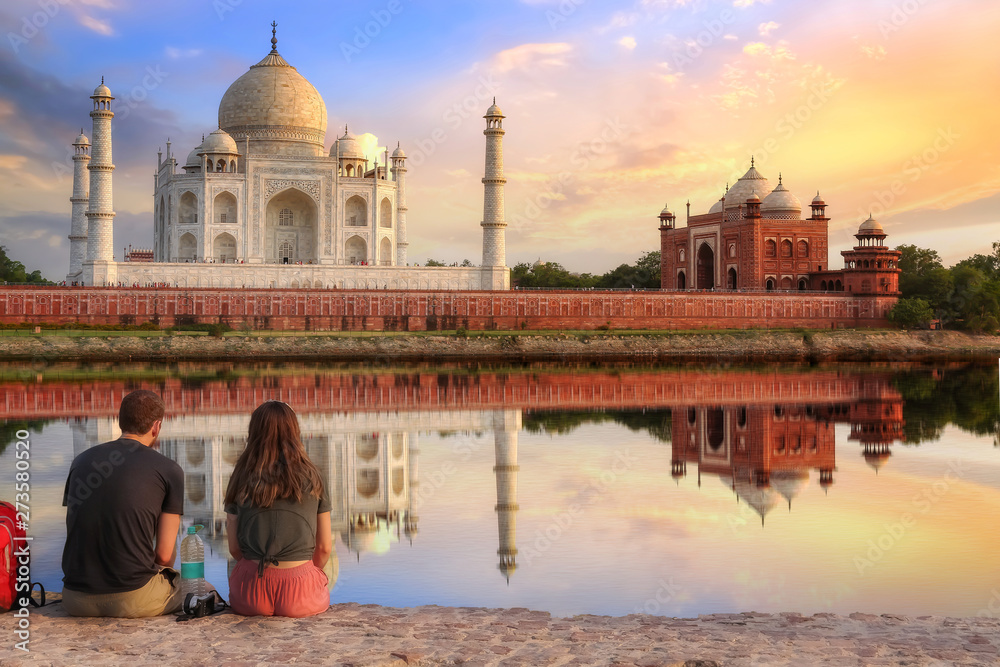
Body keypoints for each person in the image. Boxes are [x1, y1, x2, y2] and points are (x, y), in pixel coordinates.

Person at [61, 390, 184, 617]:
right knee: (205, 590)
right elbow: (164, 556)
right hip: (133, 597)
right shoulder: (169, 469)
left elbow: (77, 526)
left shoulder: (81, 461)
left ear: (120, 423)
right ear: (156, 426)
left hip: (74, 597)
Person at [224, 401, 333, 617]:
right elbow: (324, 548)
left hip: (250, 593)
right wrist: (305, 575)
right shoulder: (313, 476)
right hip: (301, 595)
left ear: (253, 432)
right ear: (295, 431)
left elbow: (235, 549)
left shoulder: (240, 476)